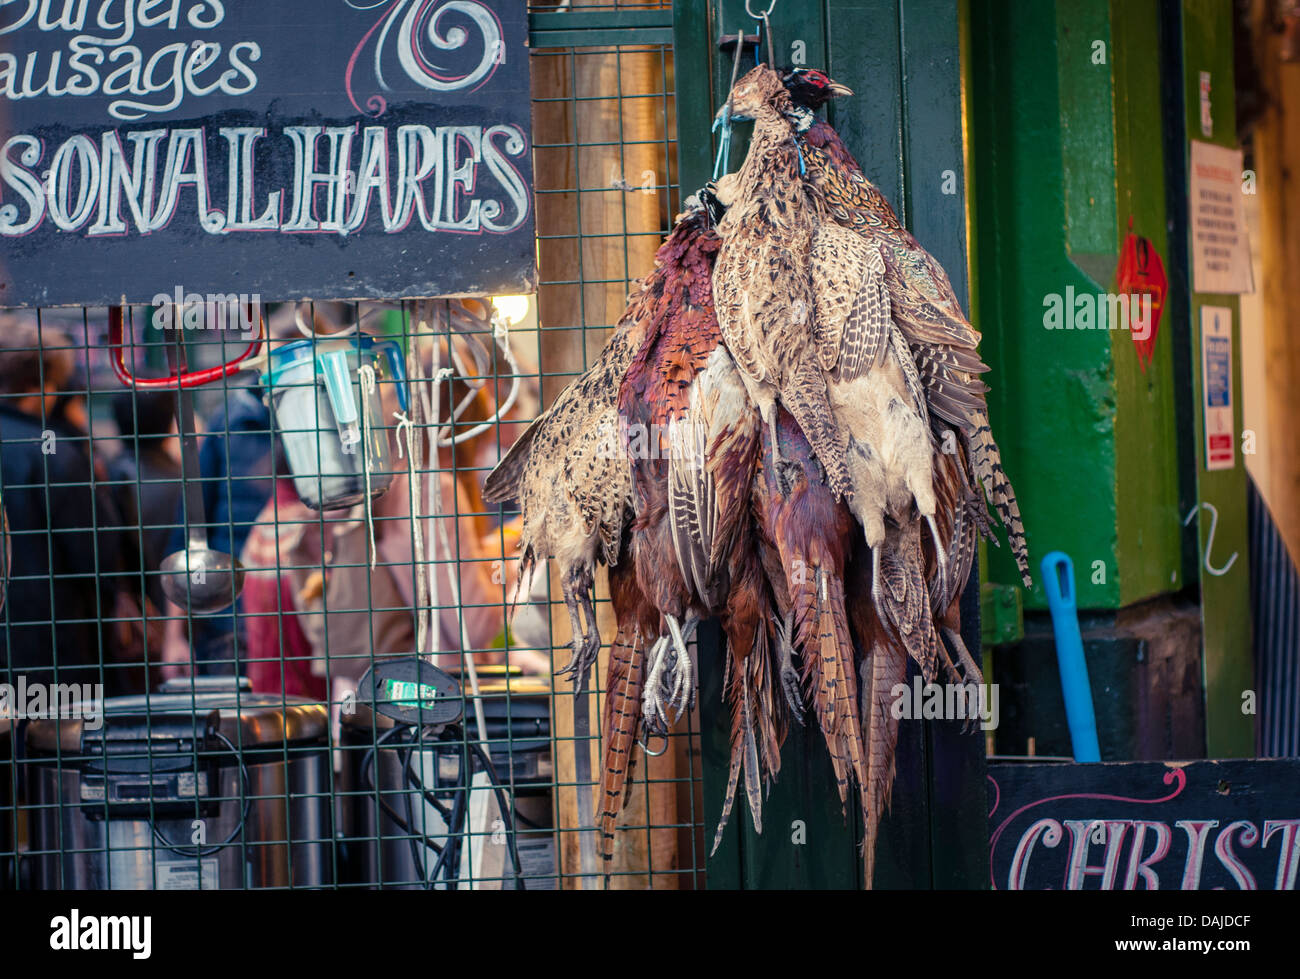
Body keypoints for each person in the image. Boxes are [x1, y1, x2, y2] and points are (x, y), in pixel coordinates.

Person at [0, 319, 117, 688]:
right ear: (41, 384)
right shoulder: (52, 451)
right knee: (53, 741)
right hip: (48, 641)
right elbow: (95, 550)